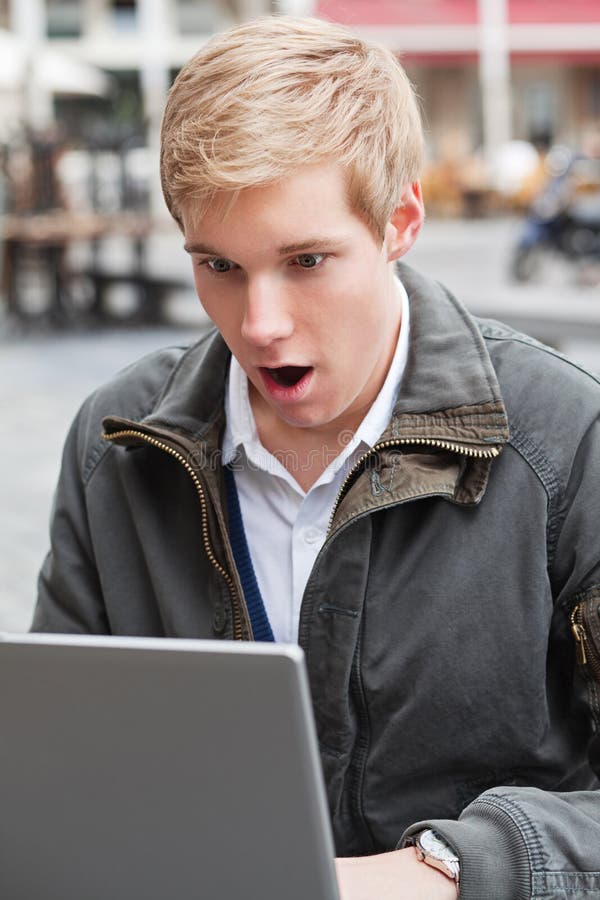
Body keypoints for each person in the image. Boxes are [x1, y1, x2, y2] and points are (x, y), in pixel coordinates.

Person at [32, 15, 600, 900]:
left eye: (306, 261)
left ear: (401, 219)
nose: (260, 324)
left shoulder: (569, 442)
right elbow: (58, 772)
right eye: (218, 265)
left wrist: (442, 872)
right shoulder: (116, 442)